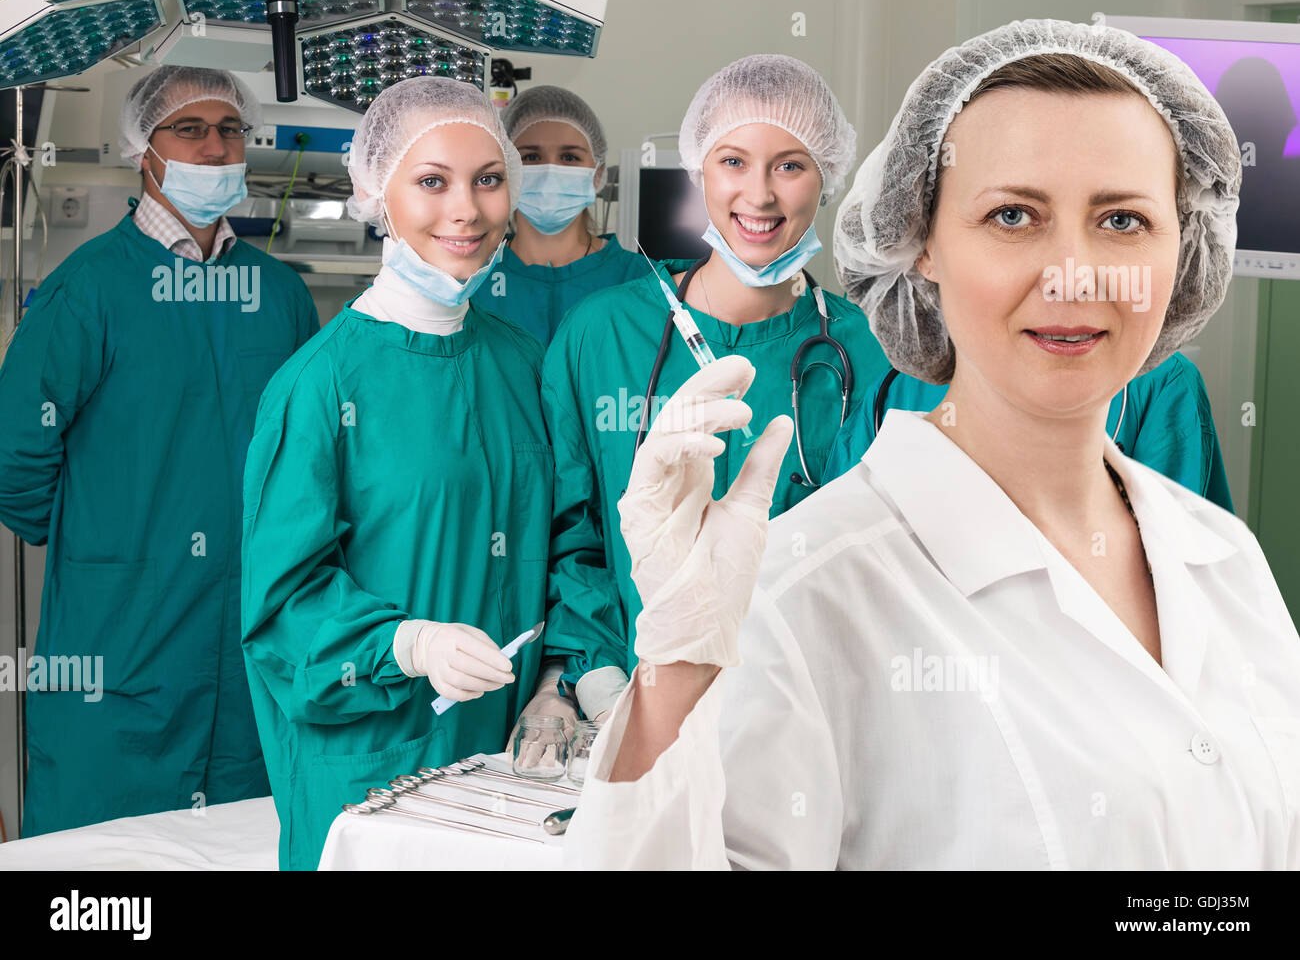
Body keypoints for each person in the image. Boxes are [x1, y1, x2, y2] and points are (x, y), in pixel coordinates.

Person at [563, 19, 1300, 869]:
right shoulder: (809, 595)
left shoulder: (1226, 561)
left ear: (1186, 250)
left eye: (1124, 220)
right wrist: (677, 672)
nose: (1073, 272)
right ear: (920, 248)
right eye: (1014, 214)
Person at [240, 77, 553, 870]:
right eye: (432, 181)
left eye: (488, 180)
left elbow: (564, 534)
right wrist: (407, 642)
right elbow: (281, 611)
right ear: (378, 194)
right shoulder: (319, 386)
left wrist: (560, 679)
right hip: (370, 770)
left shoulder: (519, 361)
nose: (467, 210)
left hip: (501, 765)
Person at [0, 67, 319, 835]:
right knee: (99, 869)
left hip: (249, 642)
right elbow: (14, 456)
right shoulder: (89, 290)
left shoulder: (279, 296)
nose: (216, 147)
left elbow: (312, 453)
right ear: (145, 149)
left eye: (230, 130)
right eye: (190, 130)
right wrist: (108, 537)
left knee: (244, 837)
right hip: (117, 642)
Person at [538, 55, 891, 730]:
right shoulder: (602, 335)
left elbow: (878, 559)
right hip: (637, 700)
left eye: (789, 165)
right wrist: (603, 682)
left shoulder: (869, 351)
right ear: (698, 171)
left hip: (808, 714)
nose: (758, 196)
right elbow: (574, 535)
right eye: (733, 162)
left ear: (828, 178)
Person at [823, 351, 1235, 511]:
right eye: (1013, 217)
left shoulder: (1159, 383)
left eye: (1116, 222)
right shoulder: (894, 389)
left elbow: (1174, 590)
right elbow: (841, 561)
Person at [490, 85, 656, 345]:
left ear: (598, 174)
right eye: (531, 157)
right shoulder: (475, 279)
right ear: (507, 169)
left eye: (569, 157)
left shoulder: (644, 282)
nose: (550, 171)